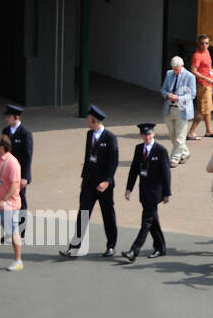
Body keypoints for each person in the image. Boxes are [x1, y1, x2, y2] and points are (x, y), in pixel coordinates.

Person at [61, 104, 119, 259]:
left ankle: (111, 246)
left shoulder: (110, 137)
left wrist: (107, 181)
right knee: (83, 214)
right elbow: (87, 158)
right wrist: (83, 178)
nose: (87, 121)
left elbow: (113, 162)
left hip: (104, 185)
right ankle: (74, 248)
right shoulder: (89, 135)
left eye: (88, 118)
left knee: (108, 215)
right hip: (89, 183)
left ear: (94, 120)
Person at [121, 122, 171, 262]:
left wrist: (167, 193)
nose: (147, 137)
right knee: (153, 220)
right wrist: (129, 188)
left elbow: (166, 173)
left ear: (153, 134)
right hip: (143, 191)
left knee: (146, 222)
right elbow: (134, 170)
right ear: (141, 135)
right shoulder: (139, 149)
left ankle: (134, 251)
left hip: (155, 192)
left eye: (149, 134)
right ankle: (160, 247)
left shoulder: (160, 150)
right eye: (145, 134)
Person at [0, 135, 24, 271]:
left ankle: (18, 260)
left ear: (3, 147)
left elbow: (15, 185)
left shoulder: (12, 163)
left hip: (9, 206)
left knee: (13, 233)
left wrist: (4, 200)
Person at [1, 105, 32, 229]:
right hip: (6, 173)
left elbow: (27, 156)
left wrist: (25, 177)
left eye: (8, 116)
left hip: (18, 176)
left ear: (16, 117)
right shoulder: (5, 131)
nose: (6, 119)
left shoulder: (25, 133)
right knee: (7, 202)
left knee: (20, 202)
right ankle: (10, 231)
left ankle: (22, 230)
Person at [187, 36, 213, 141]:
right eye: (202, 43)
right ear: (198, 44)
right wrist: (208, 79)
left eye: (207, 43)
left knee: (208, 109)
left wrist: (212, 80)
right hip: (202, 85)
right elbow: (193, 71)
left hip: (209, 84)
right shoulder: (197, 55)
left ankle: (209, 131)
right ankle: (191, 132)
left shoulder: (207, 52)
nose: (205, 45)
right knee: (202, 110)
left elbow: (208, 67)